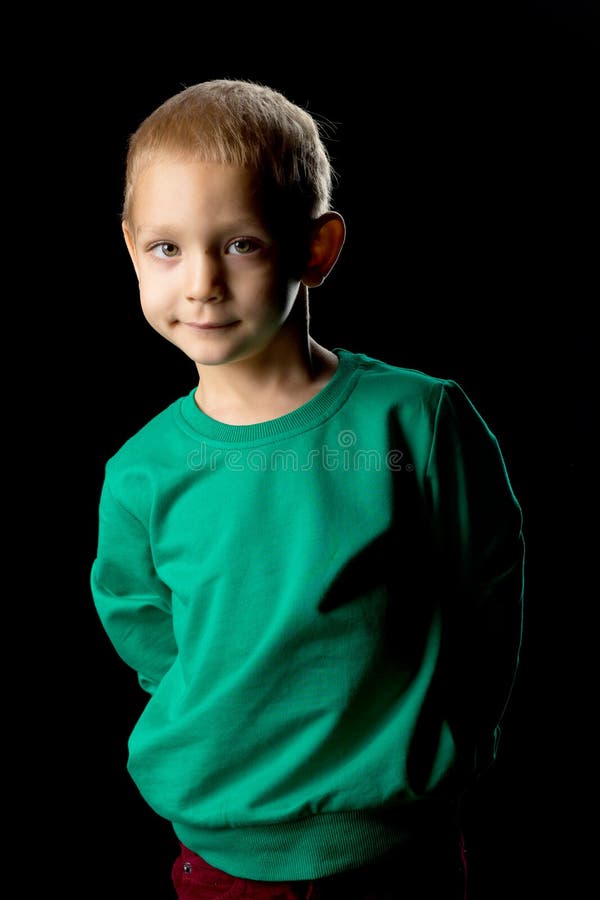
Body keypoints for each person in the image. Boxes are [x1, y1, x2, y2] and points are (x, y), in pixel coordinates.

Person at [90, 79, 525, 899]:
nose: (201, 283)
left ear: (316, 249)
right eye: (167, 248)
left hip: (395, 844)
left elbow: (486, 592)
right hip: (224, 851)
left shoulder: (416, 422)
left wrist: (452, 739)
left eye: (241, 244)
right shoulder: (142, 471)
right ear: (131, 248)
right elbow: (144, 626)